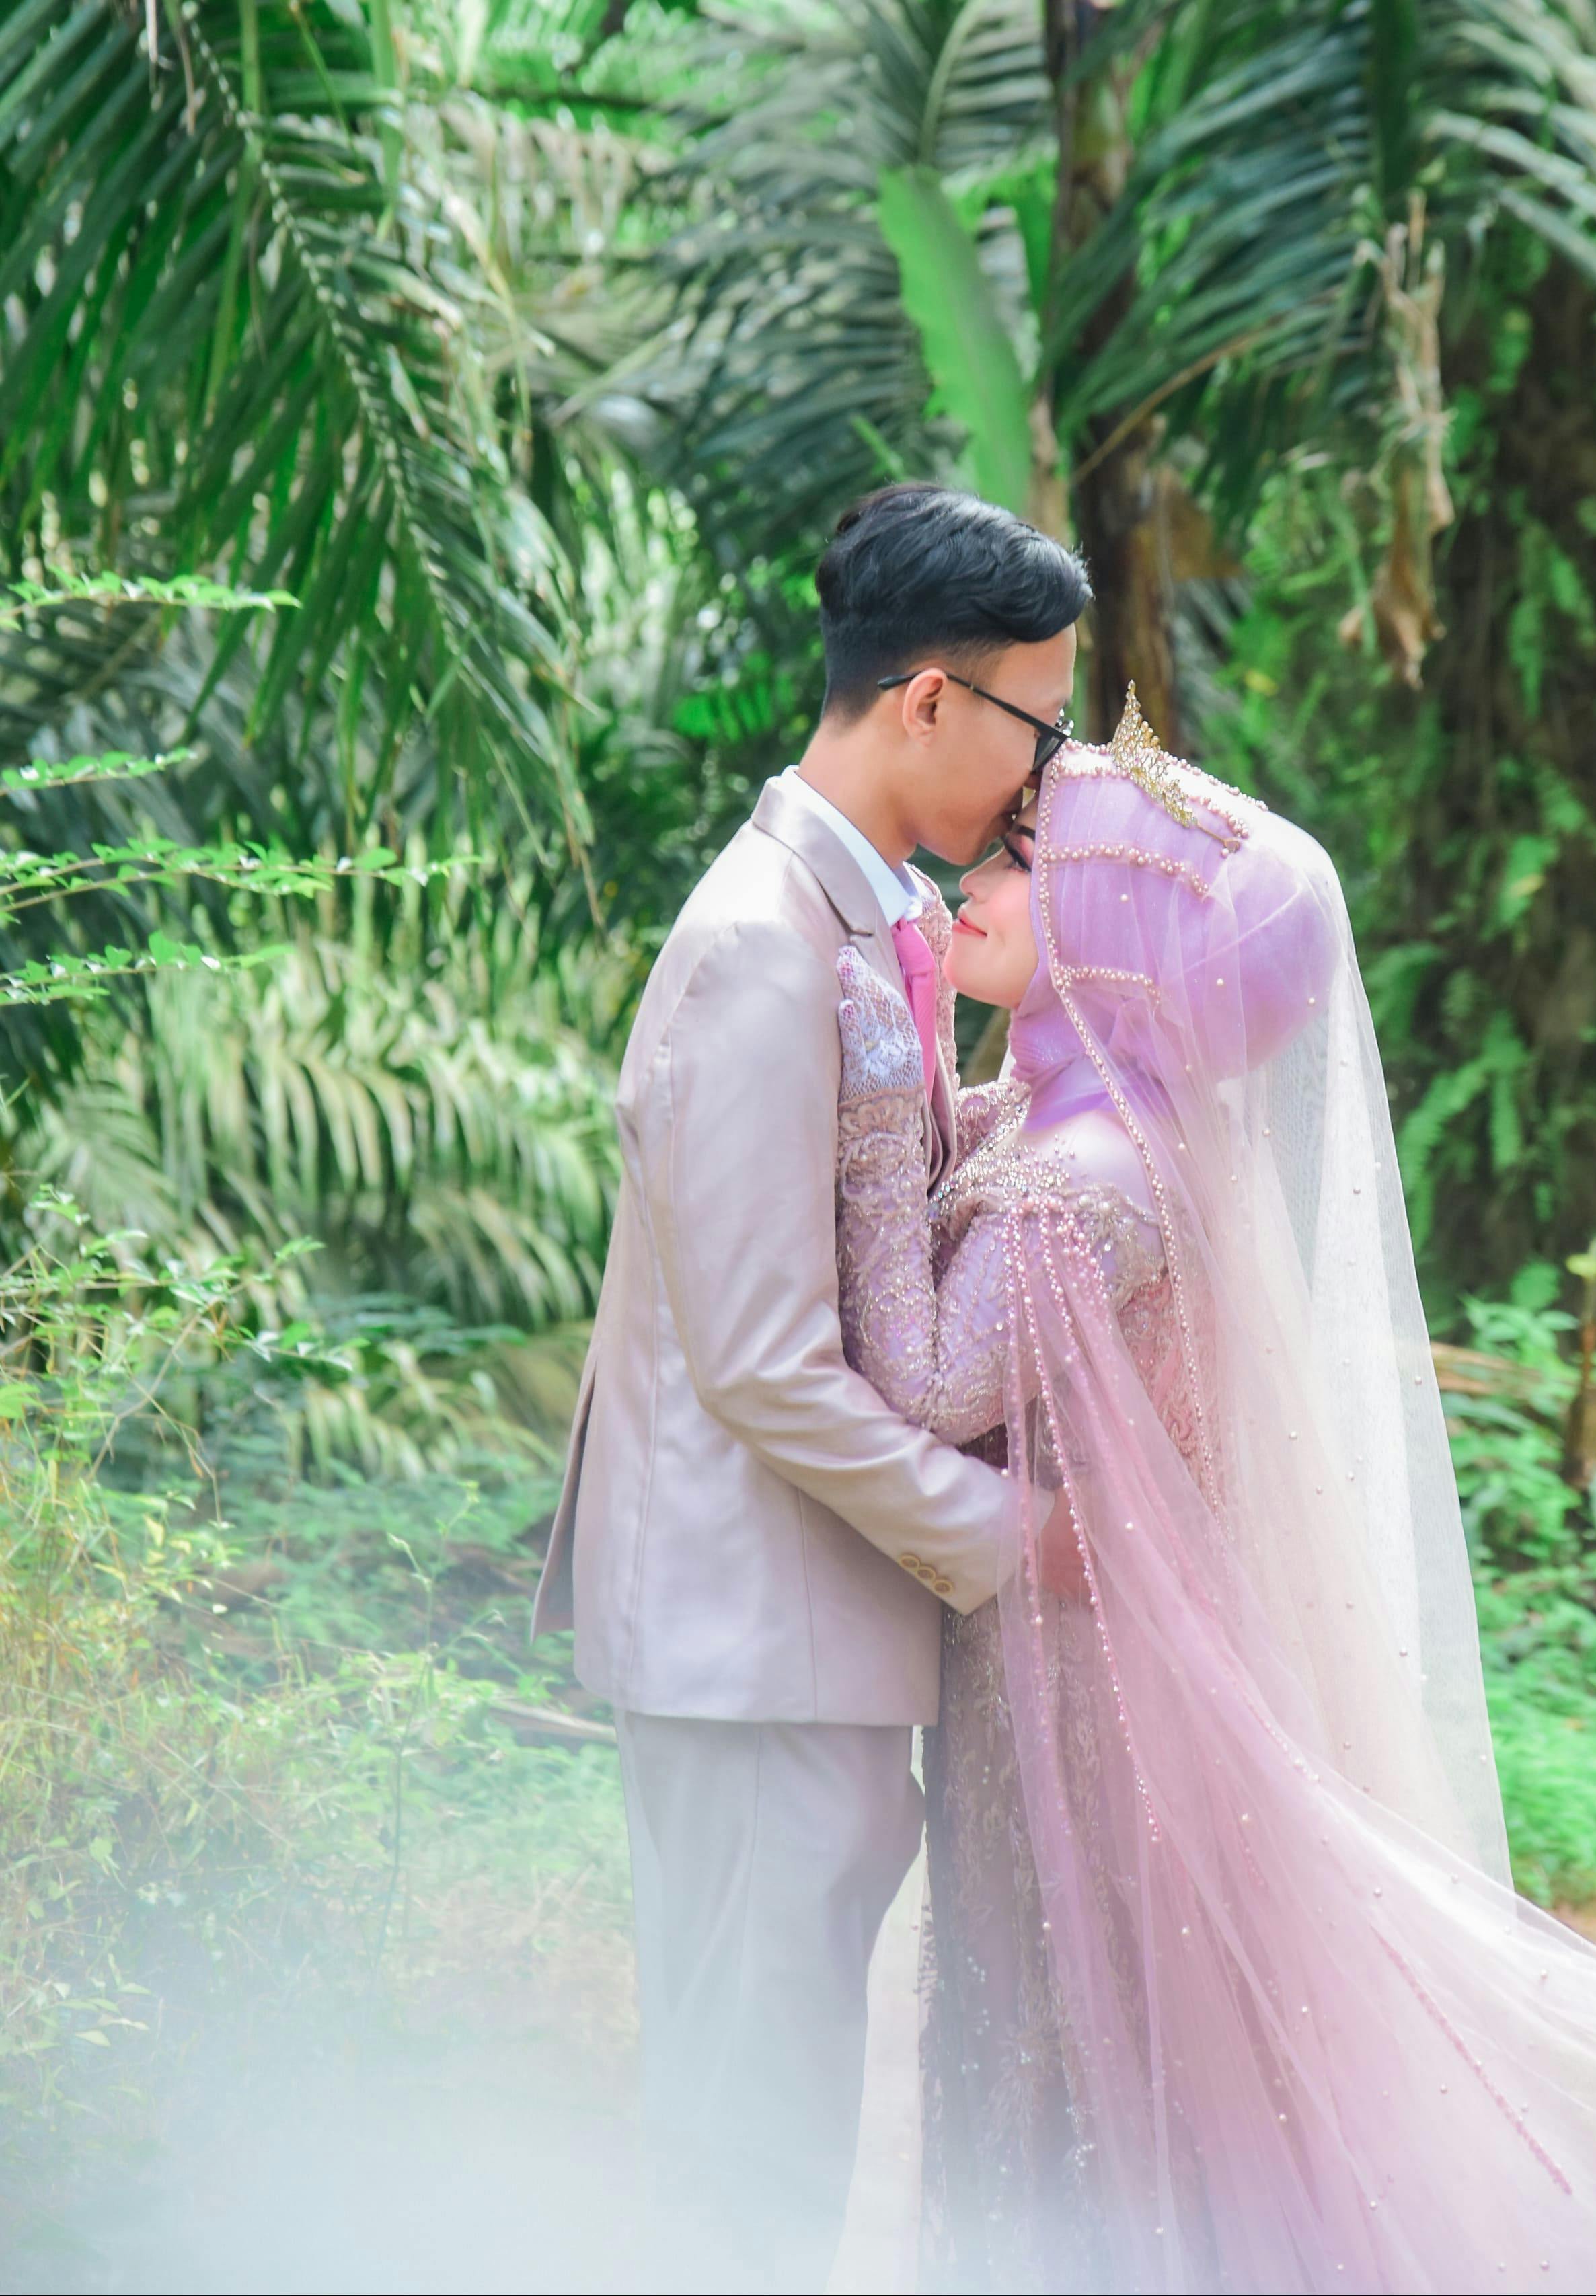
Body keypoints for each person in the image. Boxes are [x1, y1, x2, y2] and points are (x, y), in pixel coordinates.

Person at [831, 689, 1596, 2295]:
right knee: (1086, 2019)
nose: (981, 885)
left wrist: (884, 1125)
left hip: (1082, 1685)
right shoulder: (1084, 1112)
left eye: (1026, 867)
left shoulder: (1077, 1183)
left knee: (1078, 2018)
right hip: (1094, 1650)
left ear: (1106, 934)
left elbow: (937, 1385)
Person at [531, 484, 1089, 2291]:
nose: (1044, 776)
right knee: (746, 2154)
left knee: (775, 2133)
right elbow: (767, 1360)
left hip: (799, 1635)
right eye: (1037, 722)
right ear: (927, 698)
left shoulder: (858, 924)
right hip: (745, 1634)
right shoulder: (760, 947)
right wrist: (1005, 1532)